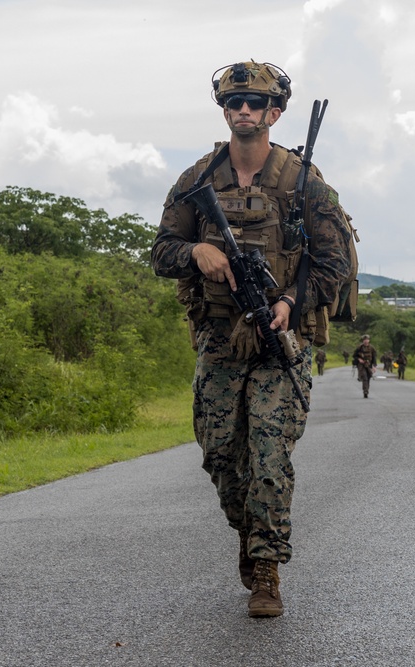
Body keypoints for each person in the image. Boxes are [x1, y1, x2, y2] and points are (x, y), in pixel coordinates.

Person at [150, 60, 353, 618]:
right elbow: (161, 252)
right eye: (235, 101)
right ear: (224, 109)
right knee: (221, 454)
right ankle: (249, 529)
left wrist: (290, 302)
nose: (244, 110)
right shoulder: (197, 181)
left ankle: (267, 569)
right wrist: (197, 251)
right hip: (217, 337)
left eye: (255, 103)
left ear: (275, 113)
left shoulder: (303, 182)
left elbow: (333, 263)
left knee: (268, 453)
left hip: (279, 337)